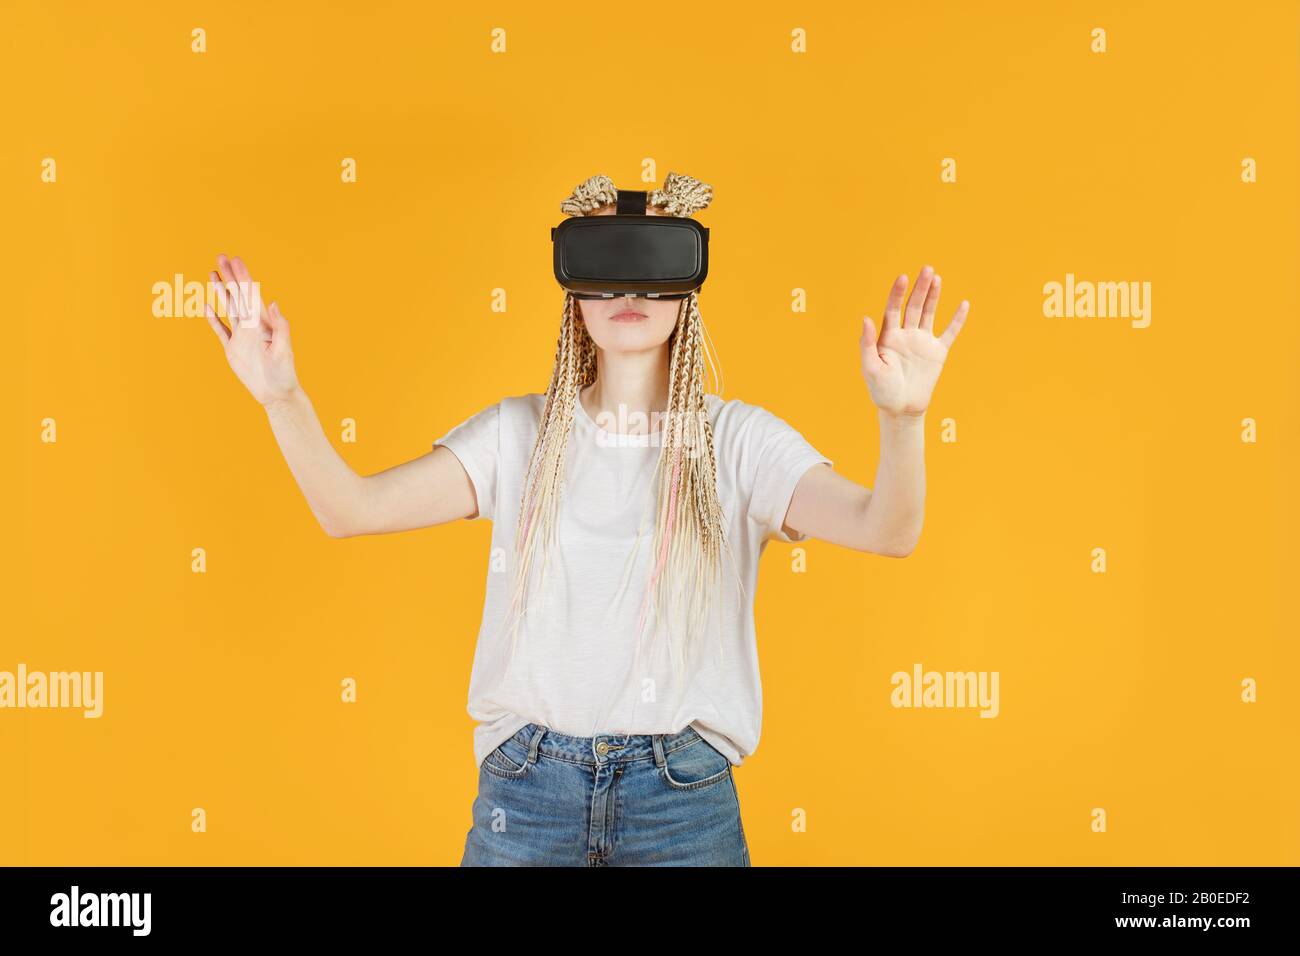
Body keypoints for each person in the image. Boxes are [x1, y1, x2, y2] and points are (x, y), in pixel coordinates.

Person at [200, 171, 971, 866]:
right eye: (601, 266)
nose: (625, 289)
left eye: (649, 263)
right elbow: (350, 510)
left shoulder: (737, 442)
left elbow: (887, 530)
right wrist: (281, 397)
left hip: (684, 804)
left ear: (685, 283)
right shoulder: (516, 437)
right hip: (526, 798)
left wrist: (903, 421)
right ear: (571, 287)